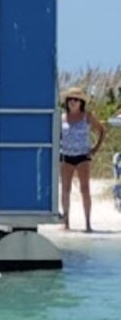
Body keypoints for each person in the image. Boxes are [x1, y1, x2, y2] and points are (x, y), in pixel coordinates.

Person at [60, 86, 105, 232]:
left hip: (83, 156)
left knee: (85, 189)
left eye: (76, 100)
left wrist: (95, 149)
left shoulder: (87, 116)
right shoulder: (62, 118)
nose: (73, 102)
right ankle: (66, 223)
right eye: (70, 99)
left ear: (81, 102)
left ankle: (88, 223)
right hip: (66, 156)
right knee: (65, 190)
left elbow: (102, 130)